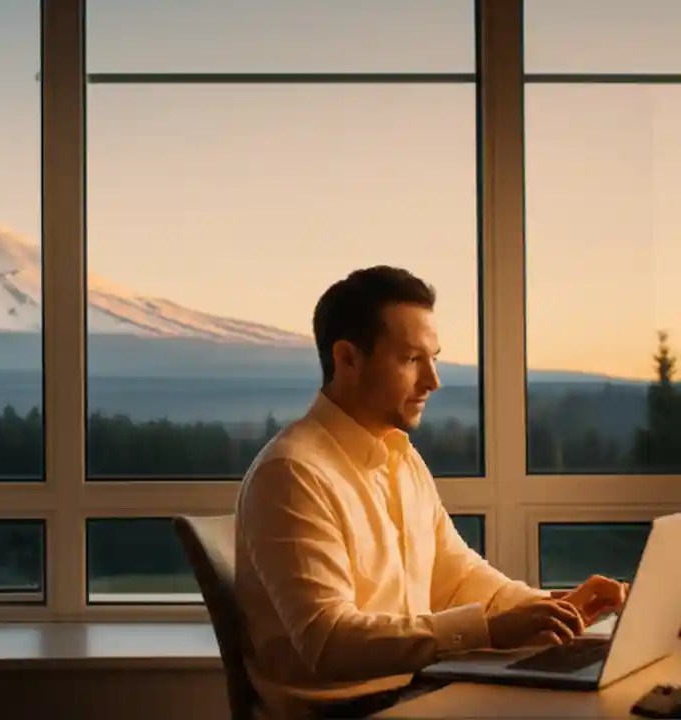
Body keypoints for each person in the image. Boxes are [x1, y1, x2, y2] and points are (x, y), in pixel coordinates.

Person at [234, 266, 628, 719]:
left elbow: (456, 575)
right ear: (347, 359)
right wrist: (488, 630)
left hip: (413, 690)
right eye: (410, 360)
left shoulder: (401, 456)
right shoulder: (292, 473)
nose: (433, 381)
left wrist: (554, 607)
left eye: (434, 358)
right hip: (343, 709)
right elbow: (329, 641)